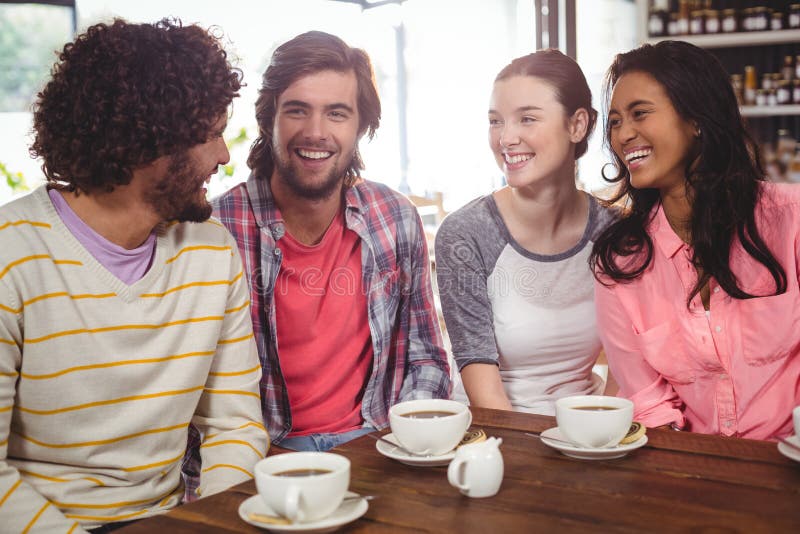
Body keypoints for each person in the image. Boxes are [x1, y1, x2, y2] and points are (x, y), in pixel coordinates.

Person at [0, 19, 268, 532]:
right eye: (212, 135)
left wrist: (208, 525)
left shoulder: (212, 253)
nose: (224, 155)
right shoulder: (12, 257)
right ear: (151, 145)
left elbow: (234, 425)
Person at [212, 31, 451, 451]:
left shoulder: (394, 218)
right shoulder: (219, 229)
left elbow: (427, 359)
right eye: (297, 110)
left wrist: (409, 440)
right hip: (262, 454)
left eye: (337, 113)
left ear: (363, 126)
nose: (315, 131)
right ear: (269, 118)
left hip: (378, 441)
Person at [591, 40, 800, 440]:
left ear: (696, 120)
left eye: (640, 114)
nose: (623, 134)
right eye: (615, 121)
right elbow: (647, 401)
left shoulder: (790, 221)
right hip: (688, 471)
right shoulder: (619, 264)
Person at [434, 49, 616, 415]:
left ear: (577, 125)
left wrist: (599, 433)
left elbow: (628, 367)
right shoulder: (467, 233)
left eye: (527, 119)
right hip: (493, 434)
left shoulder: (615, 231)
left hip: (585, 427)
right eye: (496, 121)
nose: (506, 138)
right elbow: (483, 386)